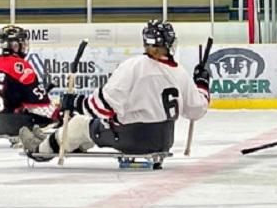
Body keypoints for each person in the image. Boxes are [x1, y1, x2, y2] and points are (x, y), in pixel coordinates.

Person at [20, 20, 210, 160]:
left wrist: (76, 102)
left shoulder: (135, 66)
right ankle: (61, 141)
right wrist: (201, 83)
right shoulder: (180, 72)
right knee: (94, 126)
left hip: (132, 138)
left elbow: (101, 107)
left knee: (79, 123)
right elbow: (197, 110)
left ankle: (40, 150)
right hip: (164, 140)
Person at [0, 25, 58, 136]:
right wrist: (58, 114)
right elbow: (39, 105)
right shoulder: (20, 66)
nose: (24, 46)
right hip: (11, 127)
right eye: (22, 43)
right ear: (14, 45)